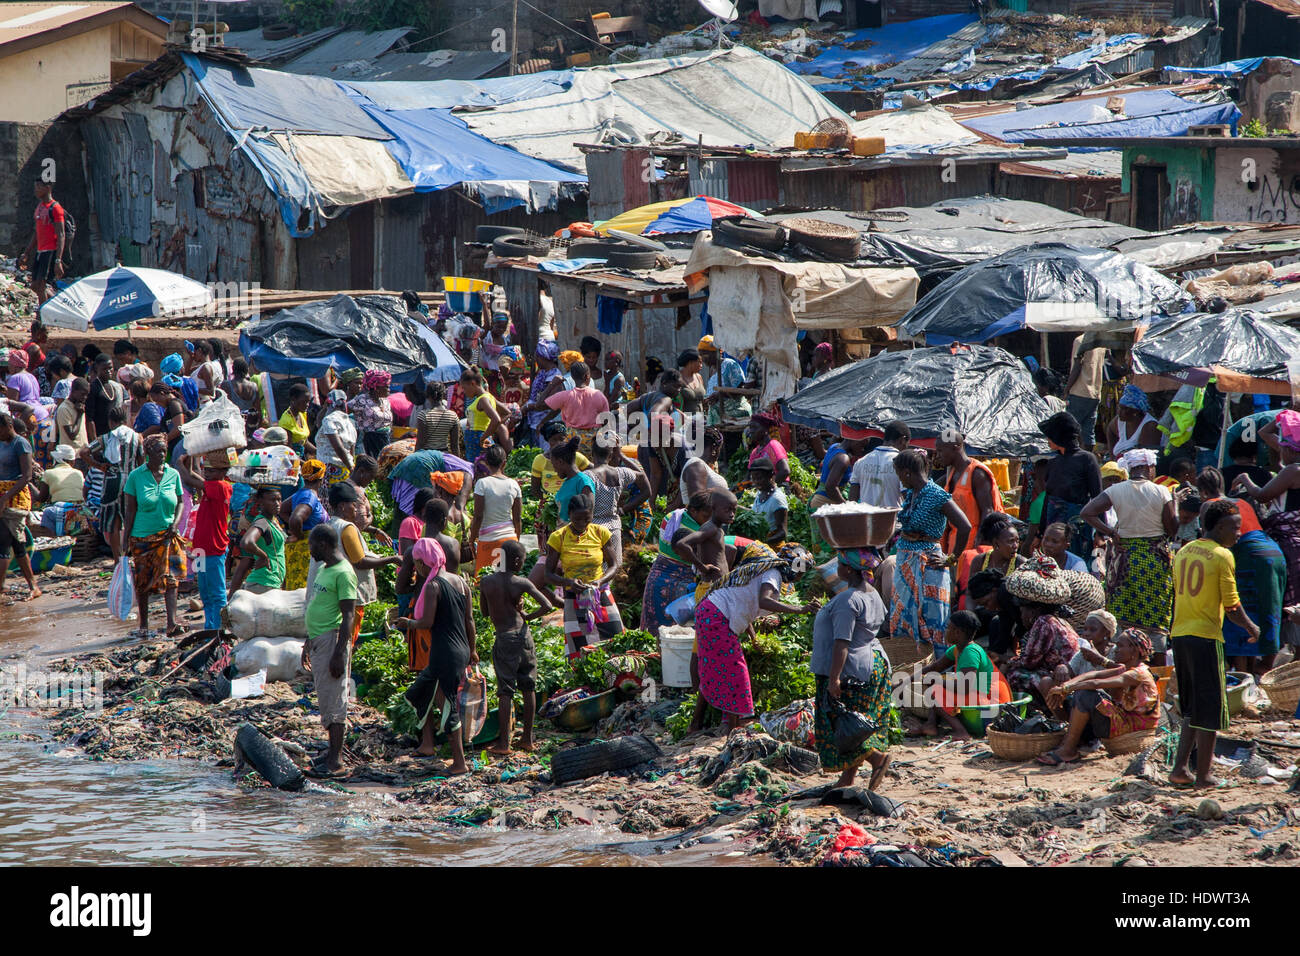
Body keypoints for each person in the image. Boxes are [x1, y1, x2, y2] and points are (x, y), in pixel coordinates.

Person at [1169, 500, 1259, 789]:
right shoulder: (1222, 556)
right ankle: (1205, 775)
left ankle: (1180, 769)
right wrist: (1252, 627)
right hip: (1205, 637)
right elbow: (1232, 607)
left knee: (1192, 708)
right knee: (1209, 709)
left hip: (1180, 635)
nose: (1239, 534)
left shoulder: (1183, 551)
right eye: (1235, 528)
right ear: (1219, 527)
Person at [695, 542, 816, 732]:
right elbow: (763, 600)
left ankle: (705, 724)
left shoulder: (768, 571)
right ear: (793, 566)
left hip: (710, 613)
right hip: (716, 617)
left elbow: (746, 601)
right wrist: (800, 610)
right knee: (735, 670)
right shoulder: (773, 574)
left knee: (716, 669)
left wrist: (753, 637)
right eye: (800, 572)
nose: (800, 577)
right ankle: (736, 728)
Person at [1082, 448, 1177, 664]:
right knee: (1156, 620)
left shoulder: (1116, 490)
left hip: (1125, 560)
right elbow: (1172, 529)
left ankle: (1119, 667)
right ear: (1150, 468)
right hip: (1155, 562)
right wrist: (1175, 504)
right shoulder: (1161, 492)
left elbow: (1087, 512)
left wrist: (1111, 533)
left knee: (1123, 617)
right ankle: (1155, 676)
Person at [811, 547, 893, 786]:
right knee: (858, 720)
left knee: (844, 721)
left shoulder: (849, 599)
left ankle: (878, 759)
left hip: (851, 668)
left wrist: (834, 678)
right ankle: (848, 778)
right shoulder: (871, 593)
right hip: (874, 662)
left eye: (839, 564)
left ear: (848, 569)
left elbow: (842, 642)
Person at [1038, 628, 1160, 766]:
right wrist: (1064, 686)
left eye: (1120, 646)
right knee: (1079, 695)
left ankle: (1068, 749)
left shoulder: (1138, 673)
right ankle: (1071, 742)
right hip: (1123, 720)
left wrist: (1066, 689)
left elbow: (1096, 683)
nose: (1116, 650)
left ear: (1134, 650)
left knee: (1085, 694)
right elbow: (1093, 675)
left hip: (1132, 728)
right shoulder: (1125, 668)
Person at [890, 449, 970, 651]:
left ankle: (935, 667)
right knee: (903, 614)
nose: (899, 478)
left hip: (929, 562)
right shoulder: (911, 493)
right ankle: (908, 662)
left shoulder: (937, 494)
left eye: (899, 473)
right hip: (906, 559)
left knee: (932, 616)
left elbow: (965, 526)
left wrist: (951, 558)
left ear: (907, 473)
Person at [481, 540, 555, 757]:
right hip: (524, 636)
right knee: (528, 686)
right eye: (522, 560)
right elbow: (547, 606)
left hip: (504, 638)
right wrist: (526, 615)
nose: (523, 564)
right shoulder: (521, 582)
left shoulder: (486, 582)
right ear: (515, 561)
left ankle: (504, 743)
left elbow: (485, 612)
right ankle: (527, 739)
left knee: (505, 690)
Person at [303, 524, 358, 777]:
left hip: (332, 641)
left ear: (323, 544)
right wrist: (308, 639)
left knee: (335, 702)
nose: (310, 549)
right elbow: (318, 604)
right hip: (319, 640)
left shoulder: (344, 572)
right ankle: (331, 754)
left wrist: (339, 652)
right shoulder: (326, 569)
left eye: (312, 544)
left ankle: (335, 763)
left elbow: (349, 615)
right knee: (326, 698)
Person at [123, 435, 187, 636]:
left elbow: (180, 501)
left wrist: (176, 524)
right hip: (142, 538)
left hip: (168, 535)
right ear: (147, 453)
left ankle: (171, 623)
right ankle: (144, 625)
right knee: (144, 582)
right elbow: (130, 510)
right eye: (158, 451)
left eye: (164, 450)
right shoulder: (136, 476)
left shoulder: (173, 474)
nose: (162, 454)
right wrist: (125, 541)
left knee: (171, 579)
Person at [545, 491, 623, 653]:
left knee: (615, 638)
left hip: (599, 592)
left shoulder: (600, 532)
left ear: (592, 515)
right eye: (577, 519)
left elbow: (614, 565)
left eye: (586, 519)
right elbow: (548, 574)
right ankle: (581, 677)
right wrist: (568, 582)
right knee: (578, 646)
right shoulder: (558, 537)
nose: (582, 523)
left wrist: (599, 581)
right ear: (569, 514)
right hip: (573, 597)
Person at [918, 609, 1005, 740]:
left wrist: (935, 680)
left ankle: (961, 732)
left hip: (992, 704)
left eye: (948, 628)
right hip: (980, 695)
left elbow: (964, 687)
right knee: (940, 680)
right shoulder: (957, 649)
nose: (945, 631)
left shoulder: (970, 652)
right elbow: (935, 667)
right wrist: (903, 682)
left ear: (957, 632)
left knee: (934, 689)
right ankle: (931, 725)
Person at [1003, 562, 1081, 700]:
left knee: (1014, 674)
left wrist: (1008, 662)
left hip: (1063, 678)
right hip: (1066, 675)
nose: (1021, 615)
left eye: (1023, 610)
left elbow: (1029, 661)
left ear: (1034, 610)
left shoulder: (1044, 623)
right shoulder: (1058, 621)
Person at [640, 492, 713, 636]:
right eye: (706, 516)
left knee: (656, 630)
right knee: (681, 633)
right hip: (680, 583)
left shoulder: (672, 516)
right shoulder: (697, 530)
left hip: (657, 577)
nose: (709, 520)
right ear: (693, 511)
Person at [180, 450, 234, 631]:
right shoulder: (211, 485)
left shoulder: (221, 486)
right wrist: (191, 457)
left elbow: (190, 479)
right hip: (201, 551)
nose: (207, 474)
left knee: (217, 594)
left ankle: (220, 631)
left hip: (213, 550)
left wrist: (181, 464)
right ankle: (210, 628)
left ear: (222, 472)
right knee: (205, 593)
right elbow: (195, 477)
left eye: (211, 471)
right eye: (206, 471)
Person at [80, 405, 142, 559]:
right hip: (132, 482)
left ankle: (117, 560)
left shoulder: (106, 438)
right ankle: (130, 555)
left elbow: (84, 452)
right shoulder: (137, 437)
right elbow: (141, 463)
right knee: (131, 518)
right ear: (125, 420)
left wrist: (99, 466)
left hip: (111, 482)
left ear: (110, 422)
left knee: (114, 522)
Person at [1038, 411, 1101, 559]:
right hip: (1052, 526)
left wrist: (1100, 533)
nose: (1047, 439)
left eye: (1050, 436)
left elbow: (1098, 498)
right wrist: (1040, 533)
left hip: (1076, 530)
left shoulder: (1087, 459)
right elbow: (1048, 499)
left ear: (1059, 437)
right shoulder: (1053, 462)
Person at [585, 432, 650, 566]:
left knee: (606, 564)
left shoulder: (625, 468)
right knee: (611, 565)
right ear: (609, 454)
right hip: (611, 524)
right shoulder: (612, 472)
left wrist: (623, 509)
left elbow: (646, 491)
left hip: (628, 517)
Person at [0, 412, 41, 601]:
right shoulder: (2, 443)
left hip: (15, 498)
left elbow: (26, 476)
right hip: (2, 495)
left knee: (6, 542)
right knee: (15, 543)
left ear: (8, 426)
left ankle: (2, 586)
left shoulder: (20, 443)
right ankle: (33, 585)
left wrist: (5, 497)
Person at [468, 444, 522, 572]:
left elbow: (478, 516)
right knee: (508, 582)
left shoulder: (482, 484)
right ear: (504, 463)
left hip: (488, 541)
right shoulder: (513, 484)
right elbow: (517, 518)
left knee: (485, 581)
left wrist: (471, 539)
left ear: (486, 463)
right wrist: (516, 540)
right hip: (510, 538)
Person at [544, 360, 608, 457]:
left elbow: (539, 404)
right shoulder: (598, 395)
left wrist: (552, 384)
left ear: (572, 377)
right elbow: (606, 420)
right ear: (587, 376)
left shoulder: (565, 396)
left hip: (572, 442)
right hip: (593, 443)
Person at [228, 486, 285, 594]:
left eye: (279, 499)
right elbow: (246, 542)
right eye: (272, 500)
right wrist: (264, 556)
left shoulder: (271, 520)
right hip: (263, 583)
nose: (277, 503)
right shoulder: (262, 521)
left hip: (270, 581)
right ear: (260, 502)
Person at [17, 181, 66, 304]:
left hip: (51, 252)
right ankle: (56, 304)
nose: (36, 190)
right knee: (34, 285)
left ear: (47, 188)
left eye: (39, 187)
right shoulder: (39, 208)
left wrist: (58, 260)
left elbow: (61, 234)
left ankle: (42, 319)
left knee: (41, 285)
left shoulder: (55, 208)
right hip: (40, 251)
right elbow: (36, 233)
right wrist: (26, 253)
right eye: (35, 187)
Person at [283, 459, 329, 590]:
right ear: (321, 479)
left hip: (304, 547)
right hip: (306, 549)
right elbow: (296, 518)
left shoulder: (302, 493)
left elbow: (283, 510)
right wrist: (300, 535)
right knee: (302, 592)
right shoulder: (309, 496)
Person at [957, 514, 1019, 609]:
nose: (1015, 546)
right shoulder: (979, 561)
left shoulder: (1020, 563)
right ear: (996, 543)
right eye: (1010, 541)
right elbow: (970, 594)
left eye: (1017, 541)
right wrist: (972, 616)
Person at [850, 421, 909, 511]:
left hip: (866, 521)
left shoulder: (860, 462)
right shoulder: (902, 463)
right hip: (892, 522)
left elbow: (852, 501)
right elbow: (908, 499)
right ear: (902, 440)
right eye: (907, 444)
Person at [1066, 334, 1107, 446]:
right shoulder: (1101, 343)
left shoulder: (1080, 341)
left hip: (1079, 392)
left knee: (1071, 430)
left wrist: (1066, 389)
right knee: (1088, 432)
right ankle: (1088, 459)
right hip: (1095, 393)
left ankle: (1074, 459)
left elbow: (1077, 366)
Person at [700, 335, 751, 425]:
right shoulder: (712, 369)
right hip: (718, 416)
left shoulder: (729, 364)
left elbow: (742, 388)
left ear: (716, 352)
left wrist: (720, 394)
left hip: (734, 417)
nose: (702, 358)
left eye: (705, 354)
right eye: (700, 354)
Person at [460, 366, 509, 460]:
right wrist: (490, 432)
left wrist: (483, 437)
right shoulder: (487, 397)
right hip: (476, 440)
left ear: (472, 383)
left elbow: (496, 419)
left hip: (477, 440)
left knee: (480, 470)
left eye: (464, 388)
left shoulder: (483, 399)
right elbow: (506, 413)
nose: (464, 392)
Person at [549, 437, 597, 526]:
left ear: (560, 462)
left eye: (554, 465)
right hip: (563, 535)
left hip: (576, 537)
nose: (555, 470)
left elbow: (588, 515)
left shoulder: (583, 481)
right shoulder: (567, 482)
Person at [315, 389, 357, 484]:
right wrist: (351, 466)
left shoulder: (329, 420)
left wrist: (350, 467)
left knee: (330, 498)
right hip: (346, 470)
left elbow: (338, 447)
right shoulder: (351, 423)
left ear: (329, 404)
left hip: (330, 470)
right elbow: (352, 450)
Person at [351, 370, 394, 458]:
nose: (389, 390)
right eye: (386, 387)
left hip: (385, 439)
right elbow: (345, 411)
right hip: (369, 440)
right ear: (376, 388)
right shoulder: (361, 400)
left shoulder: (385, 401)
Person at [1108, 384, 1160, 457]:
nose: (1119, 412)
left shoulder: (1150, 426)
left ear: (1136, 411)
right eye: (1120, 408)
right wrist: (1112, 458)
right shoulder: (1120, 420)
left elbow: (1145, 458)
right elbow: (1110, 430)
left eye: (1125, 409)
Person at [414, 382, 461, 455]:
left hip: (427, 457)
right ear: (443, 395)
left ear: (427, 396)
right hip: (444, 456)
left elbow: (420, 443)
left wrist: (414, 460)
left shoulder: (423, 415)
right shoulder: (453, 416)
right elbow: (455, 446)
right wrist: (457, 464)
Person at [749, 457, 788, 545]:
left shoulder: (776, 499)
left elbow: (783, 533)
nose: (756, 482)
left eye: (759, 478)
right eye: (753, 479)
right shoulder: (760, 493)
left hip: (773, 548)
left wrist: (762, 543)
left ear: (770, 476)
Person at [223, 358, 262, 430]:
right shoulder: (253, 386)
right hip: (249, 424)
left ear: (233, 369)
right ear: (246, 370)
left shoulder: (226, 385)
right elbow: (258, 410)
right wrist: (258, 427)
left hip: (233, 425)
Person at [278, 383, 313, 458]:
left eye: (308, 401)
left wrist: (318, 452)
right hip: (292, 460)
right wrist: (305, 464)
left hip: (300, 457)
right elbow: (288, 452)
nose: (307, 405)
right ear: (293, 399)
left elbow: (304, 441)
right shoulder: (286, 422)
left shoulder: (301, 414)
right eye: (304, 401)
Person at [674, 349, 706, 419]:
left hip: (700, 421)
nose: (701, 366)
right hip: (684, 422)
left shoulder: (699, 377)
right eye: (699, 362)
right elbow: (670, 403)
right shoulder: (677, 378)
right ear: (690, 362)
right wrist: (684, 417)